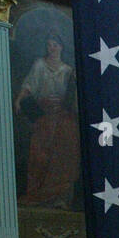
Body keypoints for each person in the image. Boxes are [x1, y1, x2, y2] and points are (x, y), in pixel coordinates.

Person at [15, 32, 80, 208]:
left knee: (65, 152)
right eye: (49, 45)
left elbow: (72, 96)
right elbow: (29, 86)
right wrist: (19, 99)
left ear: (61, 47)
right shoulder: (40, 65)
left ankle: (61, 197)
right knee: (40, 154)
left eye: (55, 45)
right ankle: (38, 195)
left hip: (62, 115)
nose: (51, 48)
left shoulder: (67, 71)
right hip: (43, 115)